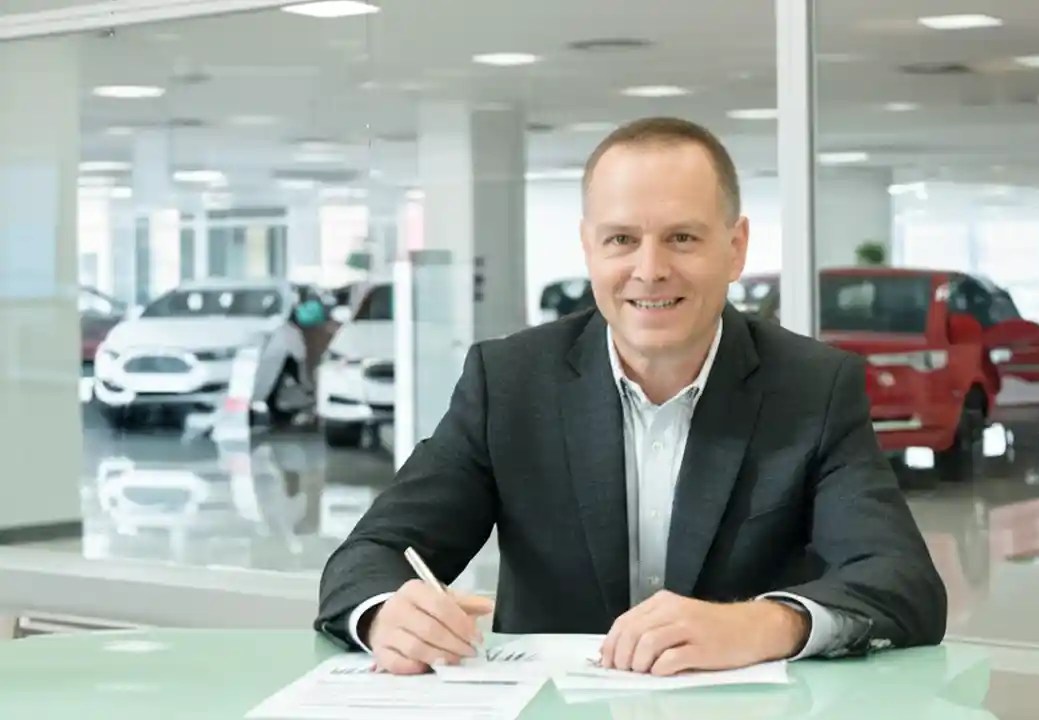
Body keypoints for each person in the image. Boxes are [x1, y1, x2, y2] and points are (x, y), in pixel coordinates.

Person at [315, 117, 946, 676]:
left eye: (682, 238)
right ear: (589, 247)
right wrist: (385, 616)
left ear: (735, 248)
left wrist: (762, 625)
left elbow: (903, 584)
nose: (649, 270)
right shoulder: (509, 381)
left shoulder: (813, 387)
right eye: (621, 239)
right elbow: (371, 555)